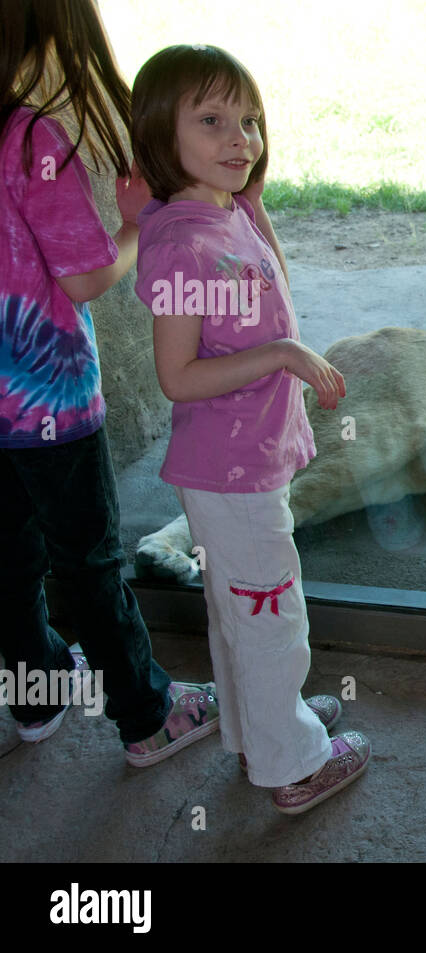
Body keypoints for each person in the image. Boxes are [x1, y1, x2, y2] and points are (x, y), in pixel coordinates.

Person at [130, 44, 369, 815]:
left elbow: (276, 293)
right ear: (161, 136)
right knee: (273, 619)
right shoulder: (183, 243)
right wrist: (283, 355)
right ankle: (294, 763)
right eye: (212, 121)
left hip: (246, 464)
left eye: (250, 121)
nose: (241, 139)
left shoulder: (223, 216)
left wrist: (256, 206)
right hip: (228, 473)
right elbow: (179, 375)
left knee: (241, 611)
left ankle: (258, 728)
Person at [0, 0, 219, 762]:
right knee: (87, 556)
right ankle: (145, 712)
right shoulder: (30, 138)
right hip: (47, 403)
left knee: (8, 555)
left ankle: (37, 697)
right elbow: (89, 276)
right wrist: (135, 227)